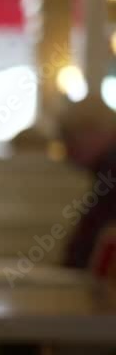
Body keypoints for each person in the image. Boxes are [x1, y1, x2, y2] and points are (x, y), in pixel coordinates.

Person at [57, 96, 116, 269]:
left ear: (92, 133)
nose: (67, 154)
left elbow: (86, 246)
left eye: (70, 140)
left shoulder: (111, 171)